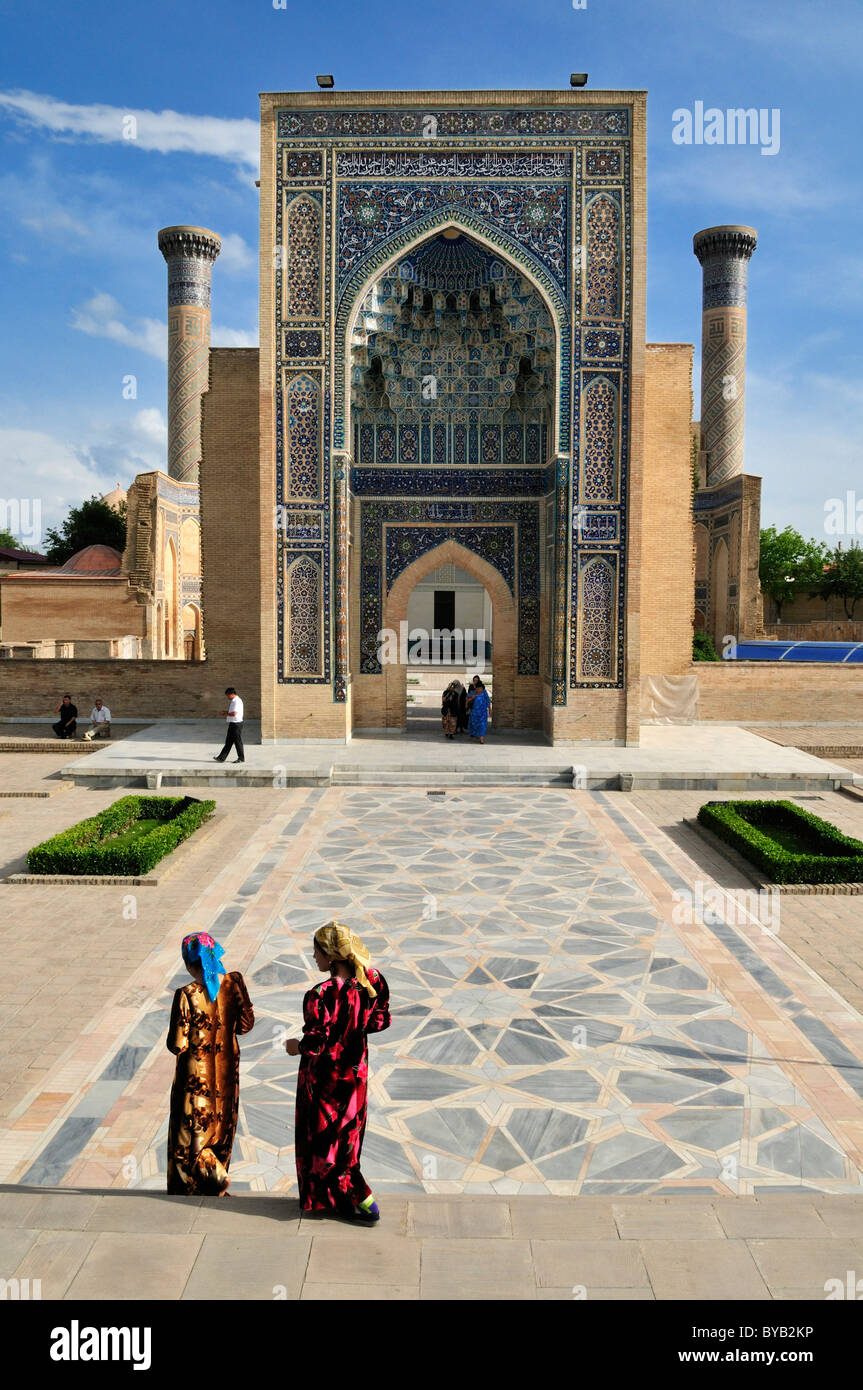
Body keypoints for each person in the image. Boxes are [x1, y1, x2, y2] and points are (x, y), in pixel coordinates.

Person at [285, 921, 390, 1223]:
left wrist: (295, 1046)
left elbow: (315, 1044)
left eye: (316, 952)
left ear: (330, 955)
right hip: (355, 1077)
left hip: (324, 1081)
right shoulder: (371, 983)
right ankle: (340, 1199)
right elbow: (380, 1022)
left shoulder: (320, 994)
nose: (314, 957)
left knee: (322, 1140)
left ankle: (361, 1198)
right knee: (348, 1138)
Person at [166, 930, 254, 1196]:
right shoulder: (231, 984)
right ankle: (216, 1181)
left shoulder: (187, 994)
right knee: (221, 1129)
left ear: (190, 964)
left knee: (189, 1138)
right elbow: (245, 1026)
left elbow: (177, 1044)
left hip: (195, 1079)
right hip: (227, 1073)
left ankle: (210, 1181)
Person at [213, 686, 244, 763]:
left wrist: (225, 713)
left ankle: (241, 758)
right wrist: (226, 712)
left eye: (227, 695)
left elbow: (234, 713)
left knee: (237, 742)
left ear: (232, 694)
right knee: (229, 741)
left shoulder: (236, 701)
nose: (227, 697)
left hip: (236, 724)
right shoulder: (234, 700)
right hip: (233, 723)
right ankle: (221, 758)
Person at [467, 677, 491, 744]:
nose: (479, 689)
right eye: (478, 688)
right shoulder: (473, 693)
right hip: (475, 713)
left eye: (480, 688)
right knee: (476, 725)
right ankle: (478, 736)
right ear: (476, 688)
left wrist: (490, 709)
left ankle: (481, 738)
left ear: (482, 688)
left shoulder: (484, 693)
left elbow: (488, 701)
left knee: (483, 725)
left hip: (483, 713)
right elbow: (467, 700)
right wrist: (472, 698)